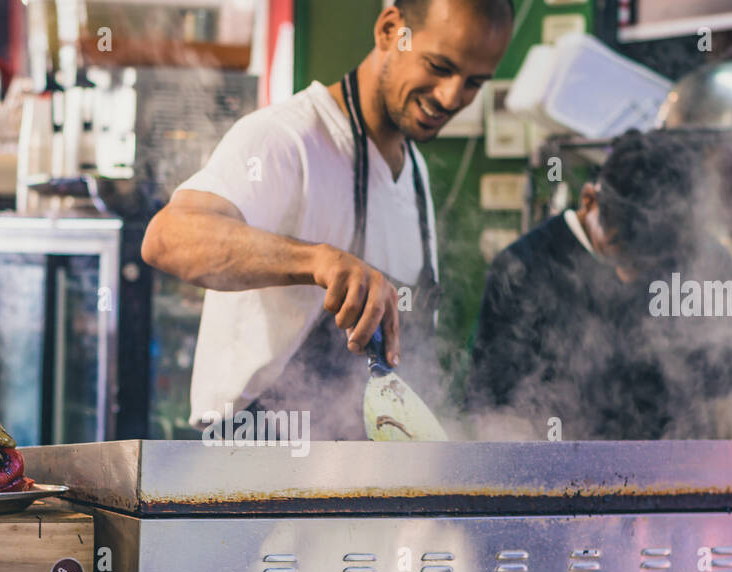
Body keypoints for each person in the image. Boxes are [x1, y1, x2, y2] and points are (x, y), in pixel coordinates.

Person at [142, 0, 513, 439]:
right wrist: (318, 260)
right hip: (255, 463)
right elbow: (167, 237)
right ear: (390, 30)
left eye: (474, 83)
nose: (452, 96)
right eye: (439, 66)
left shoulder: (415, 172)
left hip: (359, 468)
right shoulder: (286, 138)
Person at [471, 129, 732, 440]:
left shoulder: (702, 258)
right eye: (623, 253)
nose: (634, 274)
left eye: (654, 261)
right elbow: (494, 408)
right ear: (590, 201)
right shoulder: (522, 269)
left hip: (680, 456)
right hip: (565, 458)